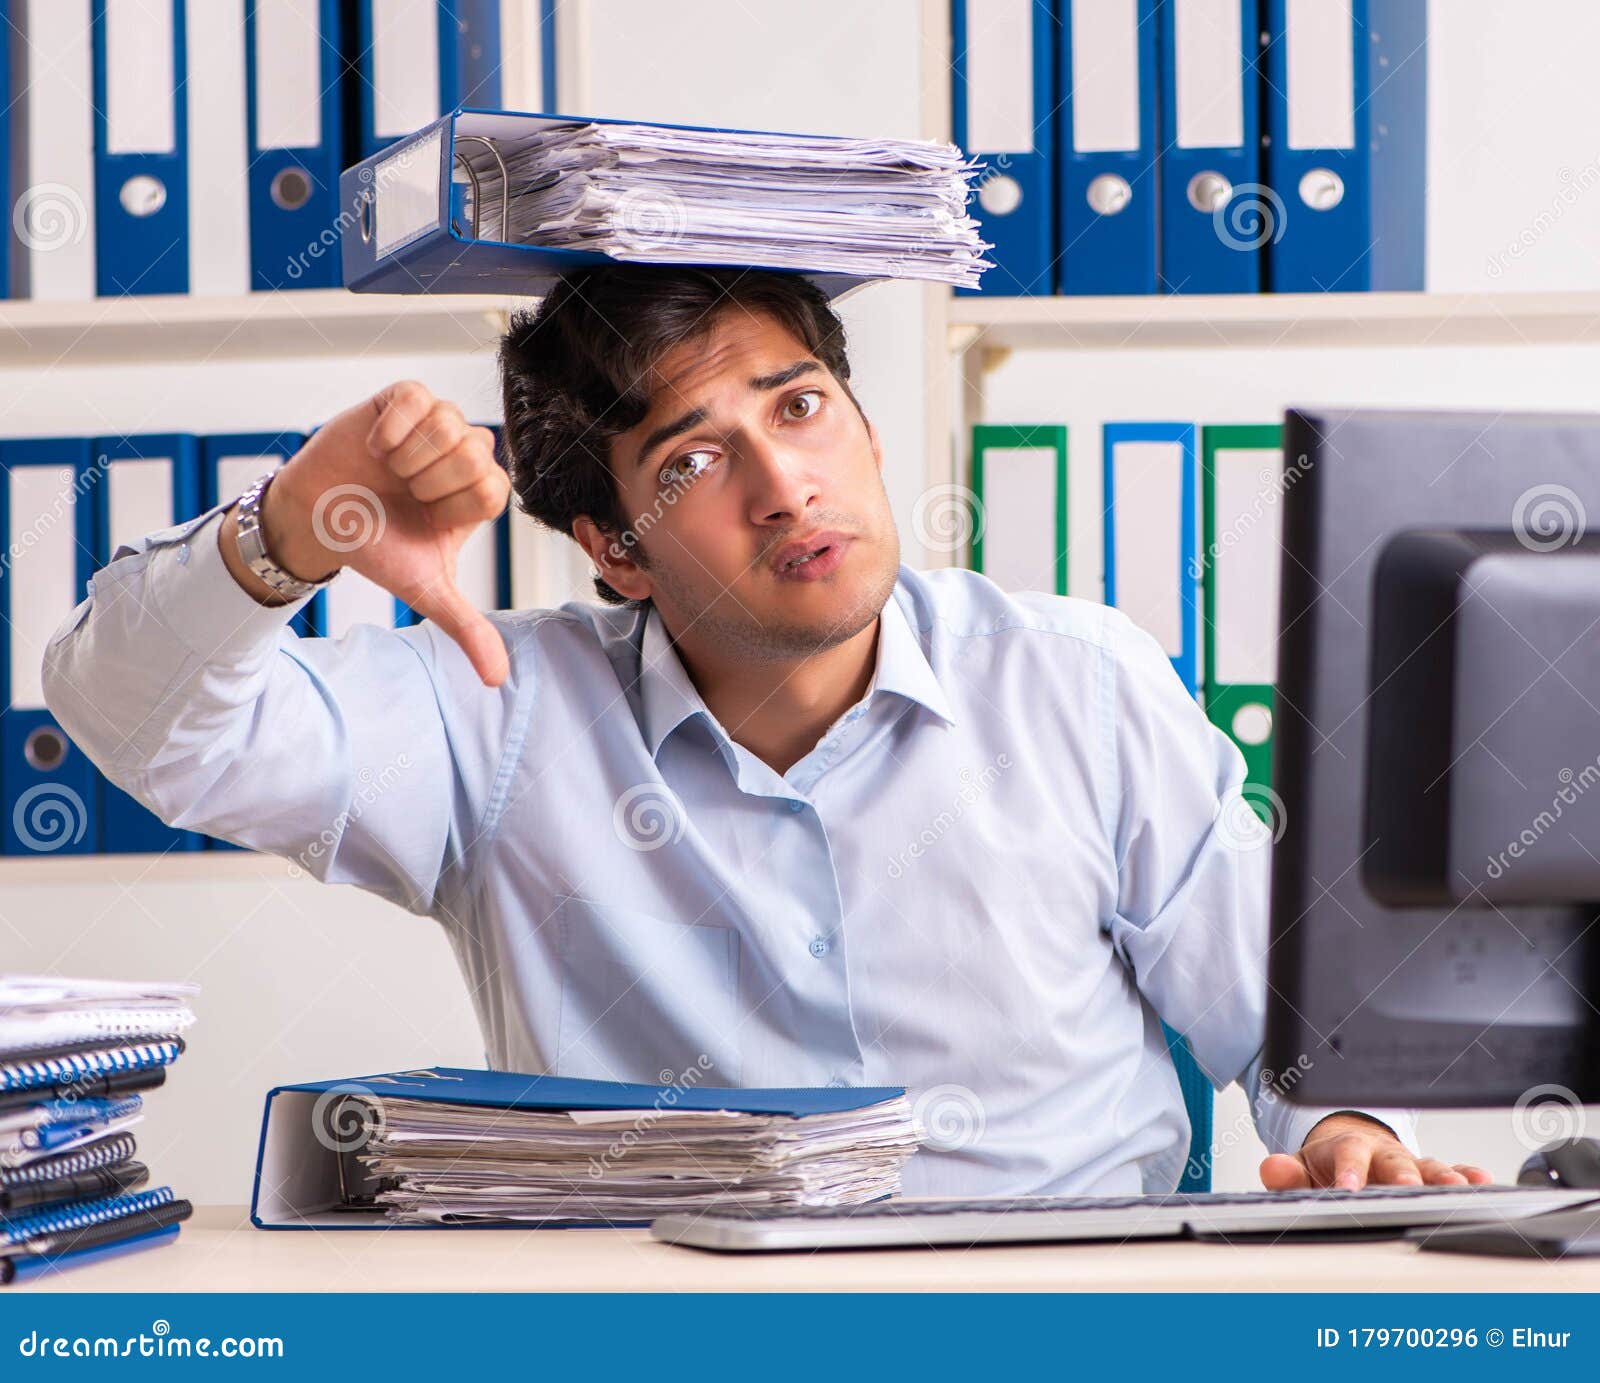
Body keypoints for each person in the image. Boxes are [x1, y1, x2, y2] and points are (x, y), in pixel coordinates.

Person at [44, 266, 1489, 1196]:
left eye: (801, 407)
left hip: (1075, 1312)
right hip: (672, 1332)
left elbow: (1295, 1031)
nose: (787, 484)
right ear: (614, 547)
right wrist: (291, 531)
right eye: (696, 460)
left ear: (864, 424)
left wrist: (1343, 1128)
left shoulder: (1079, 680)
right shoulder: (495, 712)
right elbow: (144, 728)